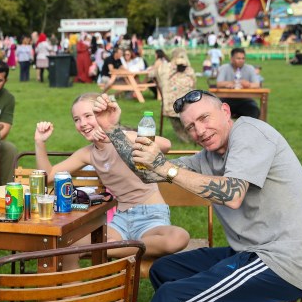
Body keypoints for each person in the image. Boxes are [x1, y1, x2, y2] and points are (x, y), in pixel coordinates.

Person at [89, 90, 302, 302]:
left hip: (281, 262)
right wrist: (113, 130)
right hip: (248, 253)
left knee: (177, 297)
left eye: (204, 118)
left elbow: (233, 194)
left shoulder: (251, 133)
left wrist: (167, 167)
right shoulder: (208, 156)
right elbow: (148, 174)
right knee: (165, 270)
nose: (199, 130)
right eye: (190, 127)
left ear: (225, 111)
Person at [34, 94, 189, 262]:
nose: (83, 124)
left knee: (178, 238)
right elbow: (48, 176)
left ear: (102, 115)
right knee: (67, 244)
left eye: (88, 116)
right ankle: (77, 285)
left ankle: (110, 249)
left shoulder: (124, 138)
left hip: (150, 217)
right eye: (77, 119)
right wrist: (39, 142)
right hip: (120, 220)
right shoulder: (88, 153)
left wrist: (114, 132)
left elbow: (165, 144)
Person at [160, 49, 196, 143]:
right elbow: (194, 83)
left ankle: (187, 138)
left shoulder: (166, 68)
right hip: (188, 103)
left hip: (172, 104)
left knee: (176, 116)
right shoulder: (189, 70)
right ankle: (189, 137)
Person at [216, 47, 261, 118]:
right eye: (238, 58)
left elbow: (257, 84)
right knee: (217, 111)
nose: (241, 60)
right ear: (231, 59)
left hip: (245, 100)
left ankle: (249, 129)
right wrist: (231, 83)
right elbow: (219, 83)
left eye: (243, 58)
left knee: (254, 111)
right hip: (227, 100)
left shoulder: (250, 68)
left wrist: (248, 85)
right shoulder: (224, 68)